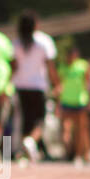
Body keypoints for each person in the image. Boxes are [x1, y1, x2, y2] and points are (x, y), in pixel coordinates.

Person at [11, 10, 57, 162]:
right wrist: (57, 84)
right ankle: (30, 141)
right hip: (38, 86)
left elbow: (14, 66)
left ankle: (25, 151)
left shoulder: (16, 43)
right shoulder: (44, 41)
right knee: (40, 120)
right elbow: (50, 66)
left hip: (21, 85)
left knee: (26, 120)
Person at [57, 44, 90, 164]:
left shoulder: (82, 66)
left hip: (79, 101)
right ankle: (68, 152)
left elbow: (87, 83)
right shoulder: (62, 67)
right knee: (65, 129)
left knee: (80, 130)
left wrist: (89, 99)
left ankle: (79, 154)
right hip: (66, 101)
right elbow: (60, 84)